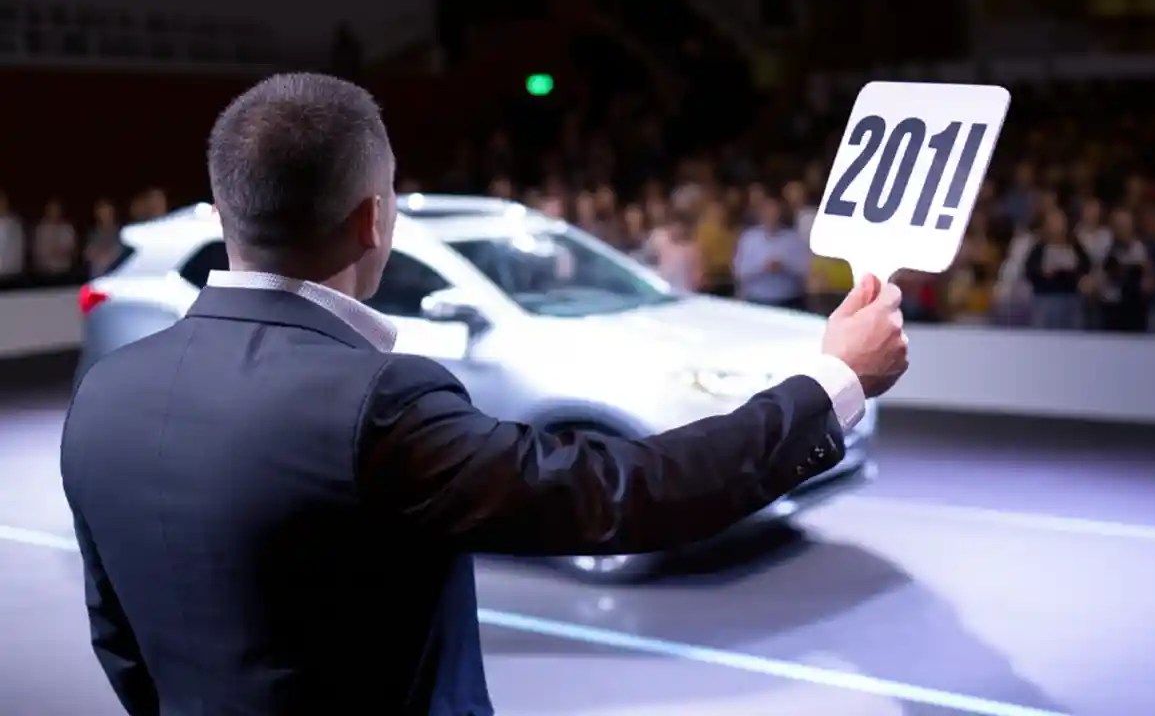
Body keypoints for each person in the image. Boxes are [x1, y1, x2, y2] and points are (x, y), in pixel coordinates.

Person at [61, 73, 910, 716]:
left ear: (222, 212)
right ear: (373, 220)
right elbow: (630, 494)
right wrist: (836, 379)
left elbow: (122, 649)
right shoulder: (378, 404)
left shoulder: (104, 393)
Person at [733, 195, 810, 310]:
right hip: (755, 301)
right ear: (760, 213)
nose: (771, 215)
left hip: (789, 301)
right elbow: (739, 271)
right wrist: (762, 267)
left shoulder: (794, 239)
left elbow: (806, 270)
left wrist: (785, 266)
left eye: (775, 211)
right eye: (767, 211)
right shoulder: (749, 238)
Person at [1023, 207, 1090, 330]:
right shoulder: (1039, 247)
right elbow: (1028, 270)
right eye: (1053, 222)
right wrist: (1042, 272)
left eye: (1059, 222)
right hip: (1046, 297)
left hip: (1071, 297)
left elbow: (1086, 267)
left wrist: (1078, 276)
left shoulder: (1075, 246)